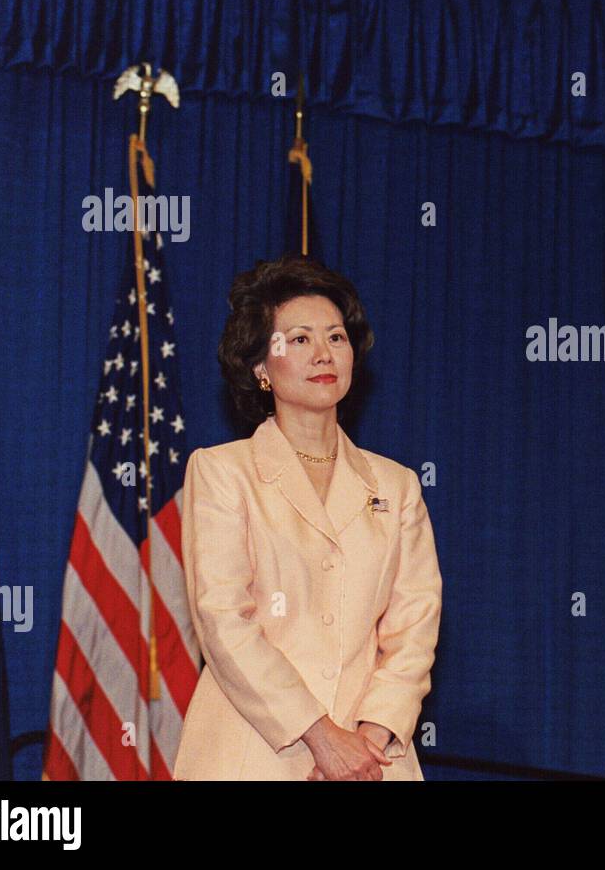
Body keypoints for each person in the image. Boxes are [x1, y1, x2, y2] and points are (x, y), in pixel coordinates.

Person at [172, 255, 441, 780]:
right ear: (259, 367)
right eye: (298, 339)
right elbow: (225, 622)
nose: (324, 353)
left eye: (336, 337)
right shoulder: (222, 471)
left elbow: (415, 627)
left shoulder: (397, 485)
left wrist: (367, 738)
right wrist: (320, 737)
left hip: (373, 762)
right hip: (253, 754)